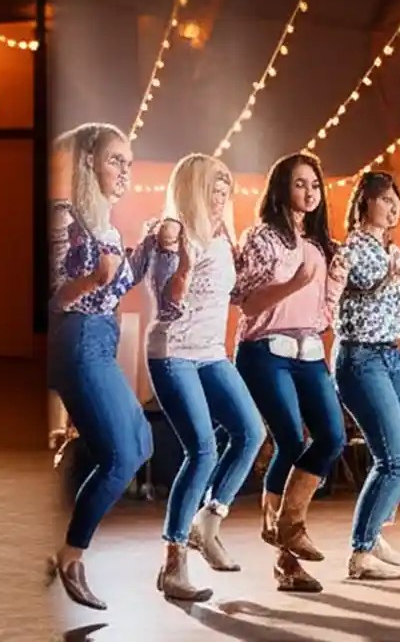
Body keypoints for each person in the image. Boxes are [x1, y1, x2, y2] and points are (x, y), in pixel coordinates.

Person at [143, 154, 265, 601]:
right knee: (202, 449)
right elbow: (166, 289)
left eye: (225, 190)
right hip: (173, 352)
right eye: (212, 189)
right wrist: (177, 254)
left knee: (250, 432)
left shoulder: (221, 236)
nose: (220, 199)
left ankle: (207, 523)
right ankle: (173, 564)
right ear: (192, 190)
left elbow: (227, 293)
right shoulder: (171, 234)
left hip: (211, 353)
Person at [46, 122, 154, 610]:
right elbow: (52, 298)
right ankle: (71, 554)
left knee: (142, 444)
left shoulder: (105, 224)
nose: (125, 171)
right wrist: (90, 279)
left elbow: (116, 283)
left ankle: (57, 533)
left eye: (129, 163)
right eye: (115, 160)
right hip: (78, 336)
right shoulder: (64, 219)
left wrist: (152, 247)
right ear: (88, 161)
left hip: (102, 337)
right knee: (120, 455)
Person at [231, 152, 347, 593]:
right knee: (292, 440)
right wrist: (294, 283)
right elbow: (247, 301)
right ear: (281, 187)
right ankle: (287, 557)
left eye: (314, 185)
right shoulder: (262, 238)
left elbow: (323, 316)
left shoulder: (320, 245)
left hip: (309, 350)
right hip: (265, 350)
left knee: (332, 438)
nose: (309, 192)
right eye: (300, 183)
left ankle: (287, 525)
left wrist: (332, 281)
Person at [336, 171, 400, 579]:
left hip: (392, 354)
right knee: (394, 457)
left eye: (398, 200)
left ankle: (374, 524)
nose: (394, 206)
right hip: (360, 357)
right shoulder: (354, 249)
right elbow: (351, 283)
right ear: (365, 203)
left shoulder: (395, 252)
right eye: (385, 199)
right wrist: (388, 273)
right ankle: (361, 552)